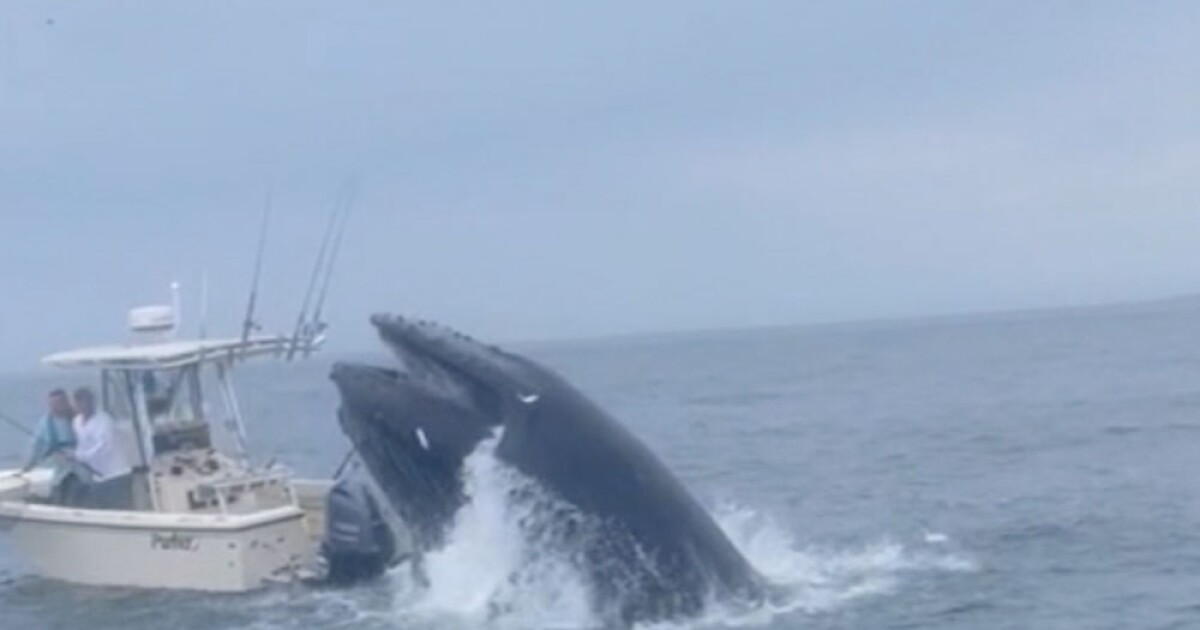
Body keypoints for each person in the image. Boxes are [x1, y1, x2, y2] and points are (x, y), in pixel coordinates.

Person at [20, 389, 77, 500]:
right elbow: (36, 446)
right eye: (54, 404)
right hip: (57, 471)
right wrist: (28, 465)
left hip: (80, 470)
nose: (57, 406)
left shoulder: (78, 419)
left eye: (61, 402)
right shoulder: (45, 423)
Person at [69, 387, 130, 483]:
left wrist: (80, 456)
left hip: (115, 472)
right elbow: (81, 445)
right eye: (78, 403)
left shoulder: (105, 421)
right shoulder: (76, 422)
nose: (83, 406)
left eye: (85, 402)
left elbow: (104, 447)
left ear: (91, 402)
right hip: (95, 475)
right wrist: (72, 455)